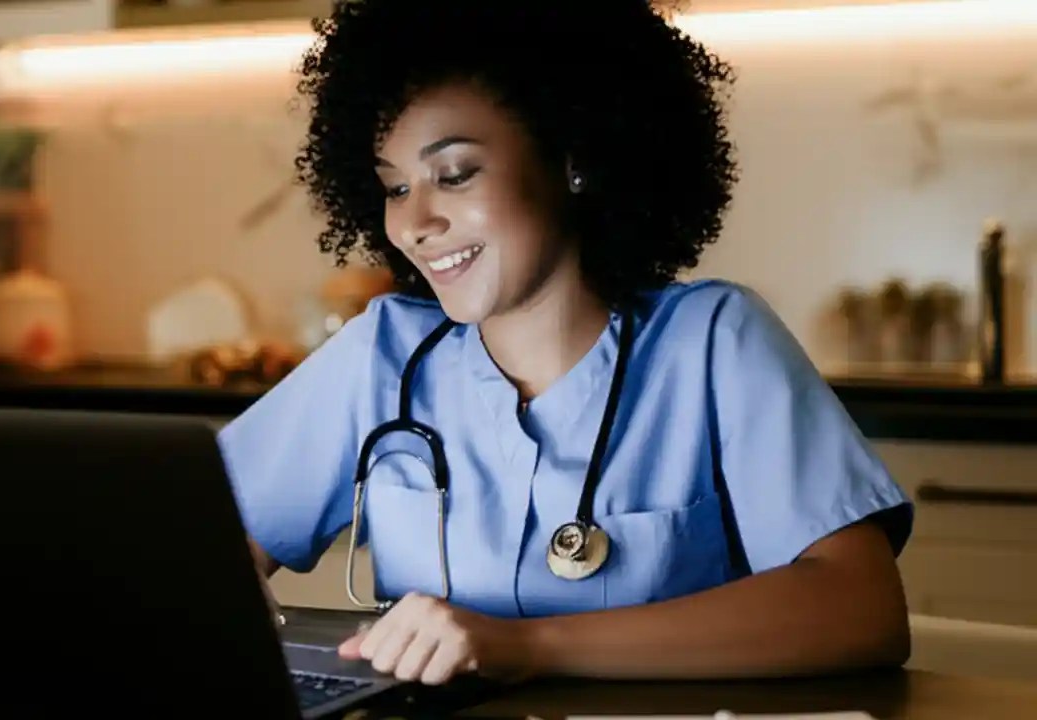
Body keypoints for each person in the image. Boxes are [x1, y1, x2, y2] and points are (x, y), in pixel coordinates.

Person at [218, 0, 914, 688]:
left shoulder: (713, 343)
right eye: (395, 187)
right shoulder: (381, 354)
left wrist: (529, 646)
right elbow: (192, 551)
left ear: (573, 158)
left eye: (454, 175)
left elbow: (862, 609)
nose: (414, 222)